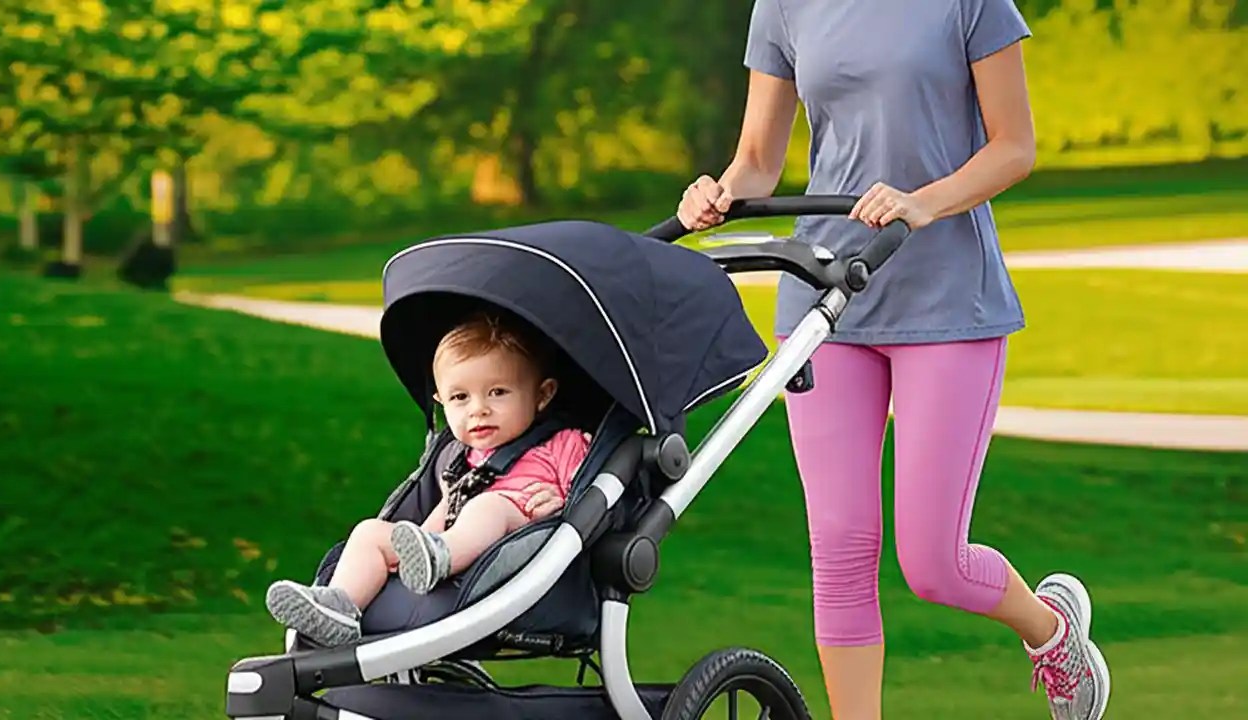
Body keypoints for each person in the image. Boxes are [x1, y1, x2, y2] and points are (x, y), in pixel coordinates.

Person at [675, 1, 1110, 718]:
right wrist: (719, 192)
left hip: (947, 300)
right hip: (827, 299)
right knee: (841, 549)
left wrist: (924, 203)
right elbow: (757, 160)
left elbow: (1014, 146)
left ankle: (1052, 631)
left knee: (933, 565)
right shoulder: (784, 6)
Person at [264, 311, 591, 647]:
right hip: (448, 548)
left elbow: (592, 497)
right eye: (460, 397)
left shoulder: (563, 443)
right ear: (441, 401)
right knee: (368, 532)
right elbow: (447, 512)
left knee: (488, 506)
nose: (478, 409)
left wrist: (560, 505)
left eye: (498, 392)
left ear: (542, 394)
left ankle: (440, 556)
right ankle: (339, 606)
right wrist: (418, 541)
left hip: (522, 545)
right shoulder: (458, 459)